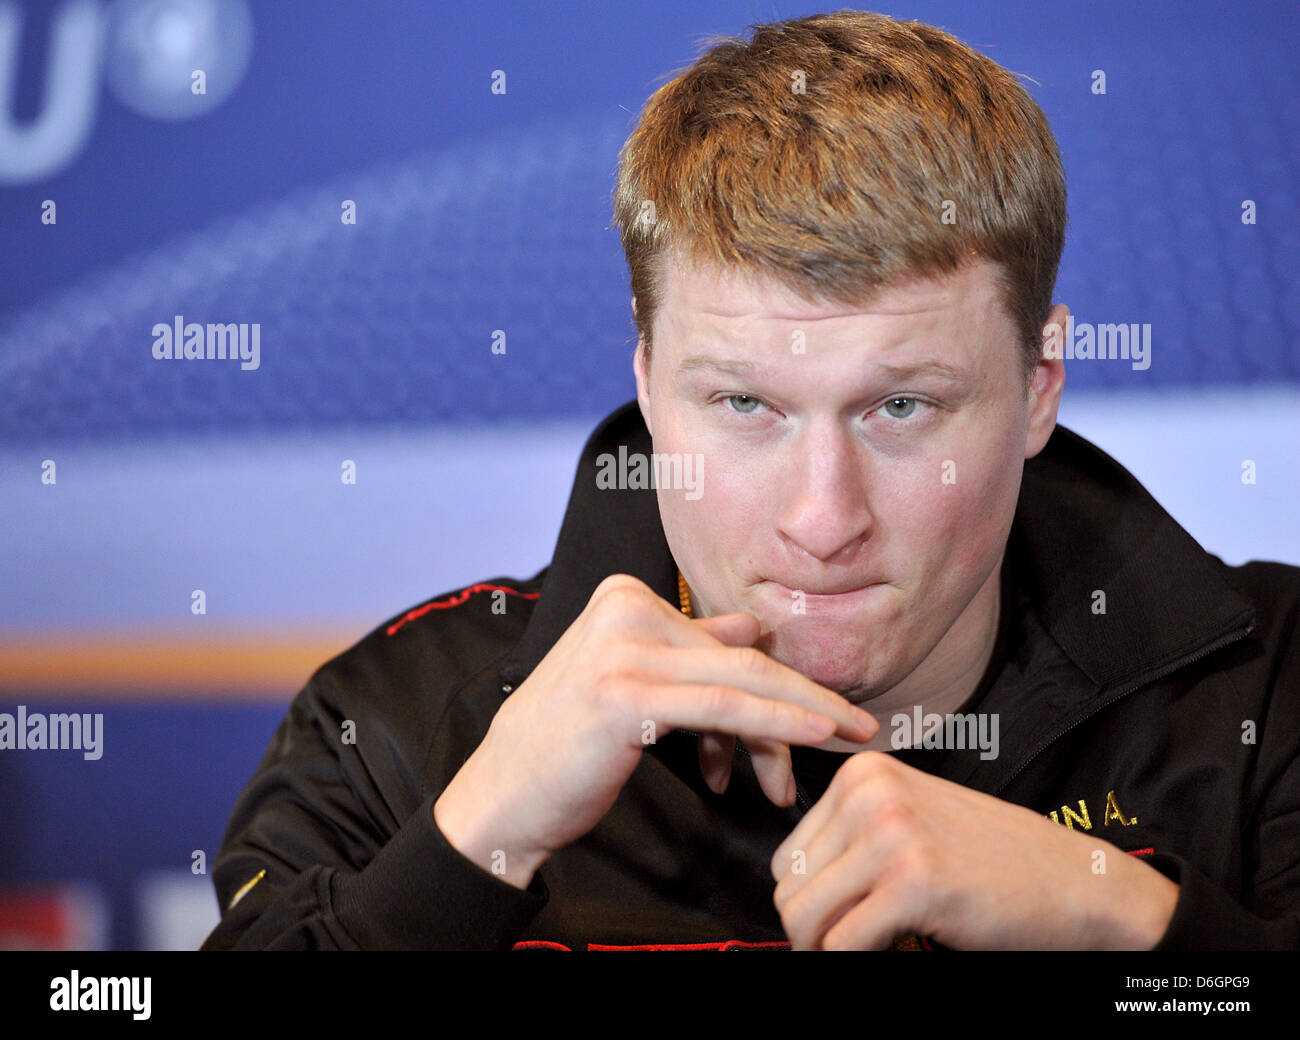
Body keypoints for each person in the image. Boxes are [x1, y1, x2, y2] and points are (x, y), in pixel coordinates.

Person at [201, 10, 1300, 951]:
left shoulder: (1270, 688)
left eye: (900, 408)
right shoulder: (396, 726)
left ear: (1039, 383)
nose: (822, 518)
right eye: (744, 406)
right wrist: (480, 835)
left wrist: (1120, 914)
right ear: (646, 378)